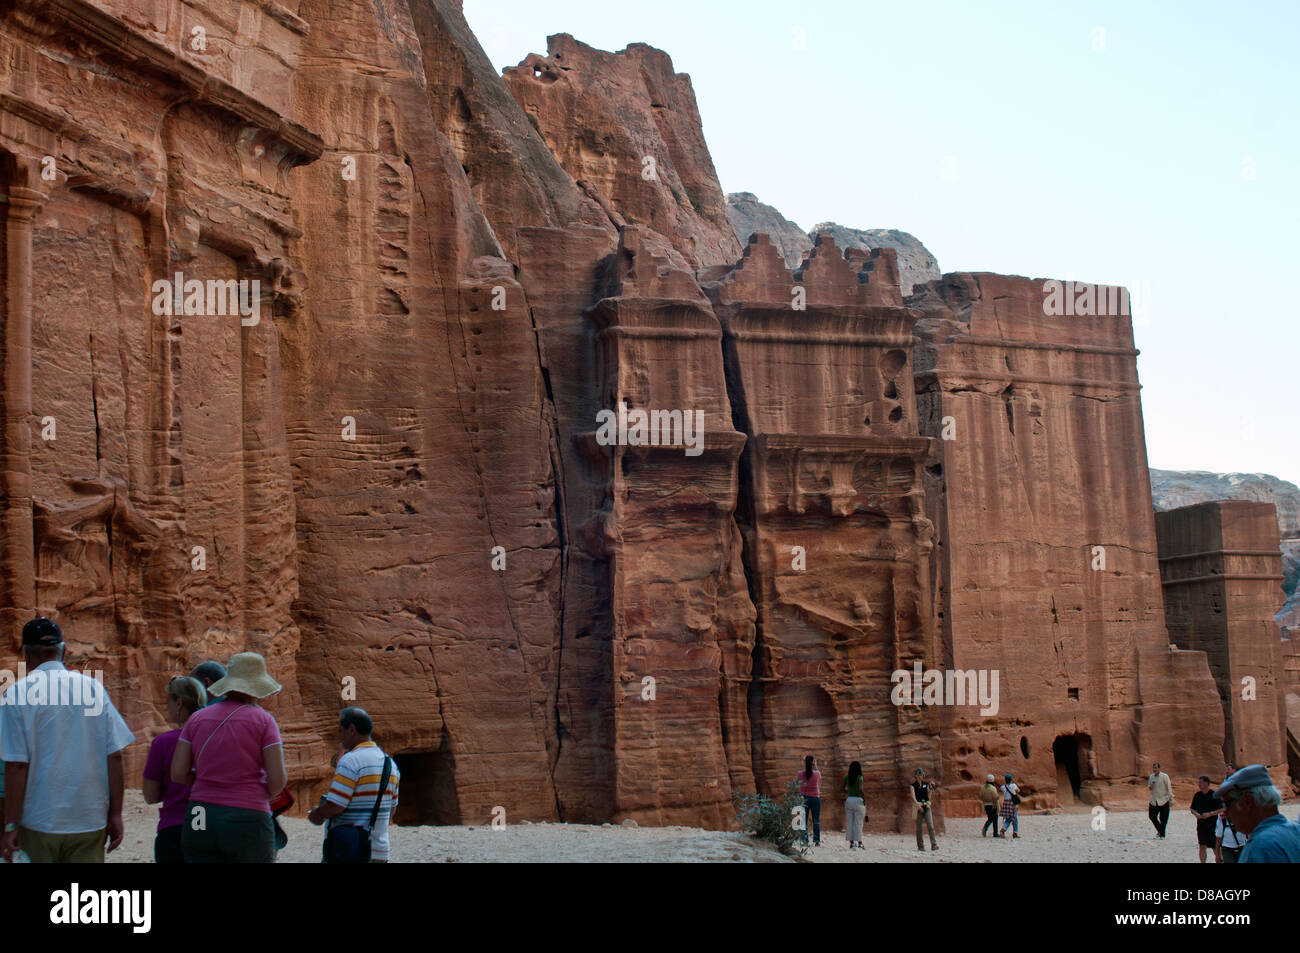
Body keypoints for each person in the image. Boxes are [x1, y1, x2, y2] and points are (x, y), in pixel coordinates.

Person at [0, 617, 134, 863]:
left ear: (26, 656)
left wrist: (11, 825)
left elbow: (17, 765)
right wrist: (115, 813)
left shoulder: (16, 696)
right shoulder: (93, 689)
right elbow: (114, 756)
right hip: (89, 820)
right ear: (64, 651)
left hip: (39, 820)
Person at [171, 652, 287, 863]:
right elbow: (277, 779)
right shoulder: (264, 721)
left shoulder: (196, 719)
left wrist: (205, 784)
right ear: (258, 686)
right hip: (248, 815)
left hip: (200, 812)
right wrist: (256, 795)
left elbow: (178, 773)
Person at [307, 708, 401, 862]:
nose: (339, 736)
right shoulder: (390, 764)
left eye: (340, 731)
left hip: (348, 850)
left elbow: (336, 805)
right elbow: (391, 810)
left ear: (351, 730)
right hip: (379, 851)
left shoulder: (350, 760)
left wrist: (317, 814)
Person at [142, 676, 206, 863]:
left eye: (167, 701)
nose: (166, 707)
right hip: (209, 826)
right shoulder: (215, 738)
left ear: (179, 702)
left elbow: (150, 796)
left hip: (174, 829)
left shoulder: (163, 742)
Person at [1216, 764, 1300, 863]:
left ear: (1247, 801)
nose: (1225, 813)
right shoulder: (1295, 830)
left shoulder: (1260, 848)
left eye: (1227, 805)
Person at [1188, 775, 1221, 863]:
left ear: (1206, 783)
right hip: (1201, 824)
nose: (1199, 784)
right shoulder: (1197, 795)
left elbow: (1221, 809)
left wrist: (1210, 814)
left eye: (1200, 782)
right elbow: (1192, 808)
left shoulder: (1214, 795)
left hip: (1213, 825)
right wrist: (1196, 814)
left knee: (1215, 847)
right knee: (1202, 845)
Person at [795, 755, 821, 847]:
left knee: (803, 821)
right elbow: (819, 778)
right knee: (816, 820)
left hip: (804, 798)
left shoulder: (800, 773)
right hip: (815, 798)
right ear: (813, 763)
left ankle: (805, 841)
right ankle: (817, 840)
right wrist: (815, 765)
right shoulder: (817, 773)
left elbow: (798, 784)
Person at [912, 767, 937, 851]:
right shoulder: (913, 786)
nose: (920, 776)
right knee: (919, 828)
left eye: (921, 775)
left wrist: (931, 789)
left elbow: (928, 797)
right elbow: (913, 797)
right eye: (918, 775)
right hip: (918, 807)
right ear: (915, 776)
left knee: (930, 825)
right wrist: (918, 806)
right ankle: (921, 846)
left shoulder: (926, 784)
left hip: (926, 806)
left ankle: (934, 845)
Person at [843, 761, 866, 849]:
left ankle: (852, 843)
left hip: (849, 800)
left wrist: (849, 791)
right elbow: (861, 789)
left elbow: (843, 788)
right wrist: (865, 799)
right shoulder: (860, 777)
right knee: (858, 823)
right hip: (858, 800)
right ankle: (860, 843)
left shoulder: (846, 777)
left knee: (849, 822)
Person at [1146, 761, 1172, 838]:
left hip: (1164, 800)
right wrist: (1151, 785)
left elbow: (1168, 787)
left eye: (1156, 768)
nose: (1154, 769)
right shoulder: (1151, 777)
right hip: (1154, 800)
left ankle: (1162, 834)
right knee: (1152, 816)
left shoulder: (1165, 776)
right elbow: (1149, 788)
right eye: (1154, 768)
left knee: (1163, 819)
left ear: (1159, 768)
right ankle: (1161, 831)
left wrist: (1170, 798)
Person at [979, 773, 1001, 837]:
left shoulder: (983, 787)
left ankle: (986, 828)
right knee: (995, 819)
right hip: (993, 805)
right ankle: (995, 833)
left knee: (990, 818)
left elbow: (980, 796)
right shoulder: (993, 788)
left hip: (986, 805)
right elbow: (995, 797)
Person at [999, 772, 1020, 838]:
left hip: (1006, 803)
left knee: (1009, 817)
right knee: (1015, 817)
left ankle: (1004, 830)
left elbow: (1001, 789)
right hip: (1012, 803)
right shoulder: (1013, 785)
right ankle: (1014, 832)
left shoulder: (1003, 787)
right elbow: (1018, 791)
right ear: (1011, 779)